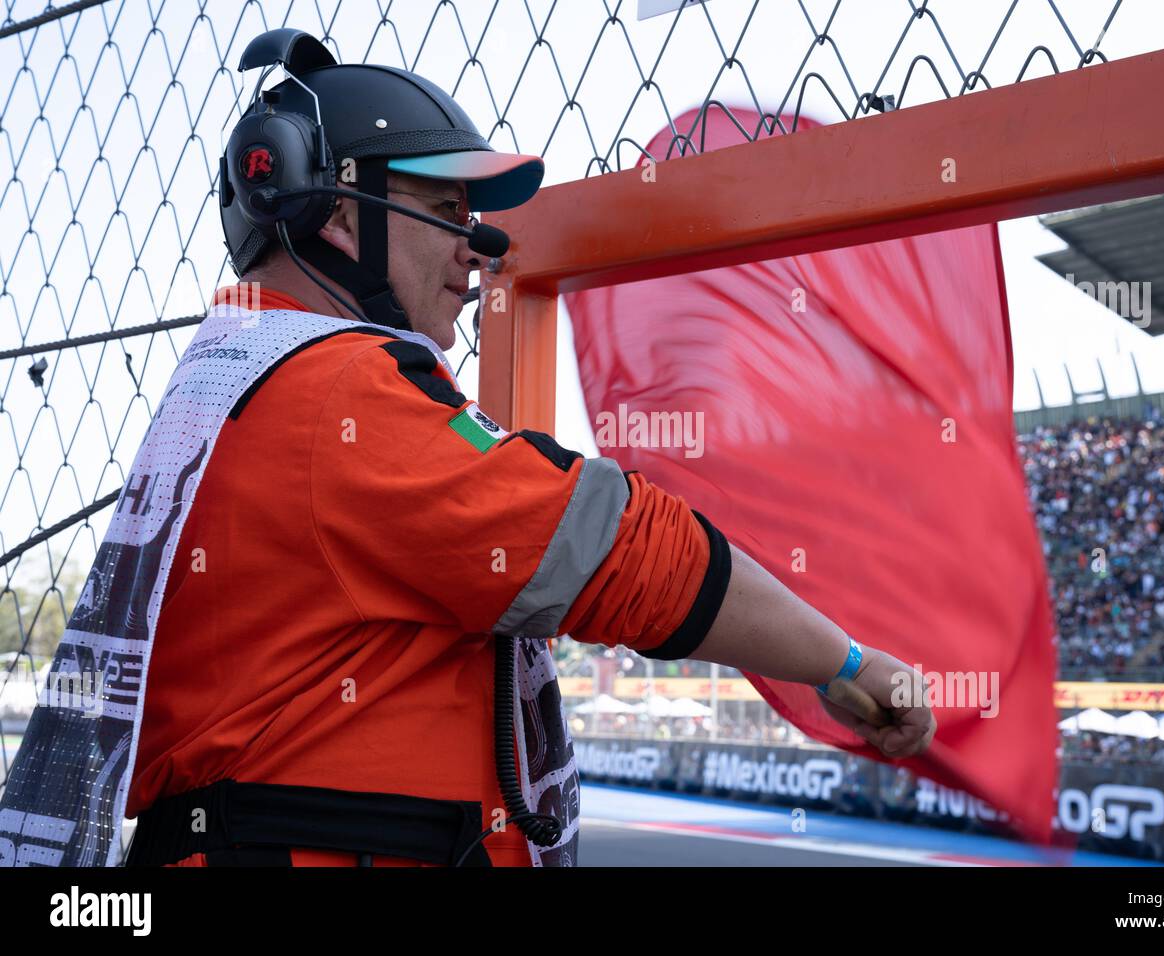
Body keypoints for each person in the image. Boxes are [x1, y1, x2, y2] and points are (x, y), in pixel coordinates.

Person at [0, 30, 932, 870]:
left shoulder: (235, 384)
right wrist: (845, 664)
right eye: (446, 212)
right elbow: (618, 550)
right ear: (334, 211)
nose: (475, 253)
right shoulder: (337, 392)